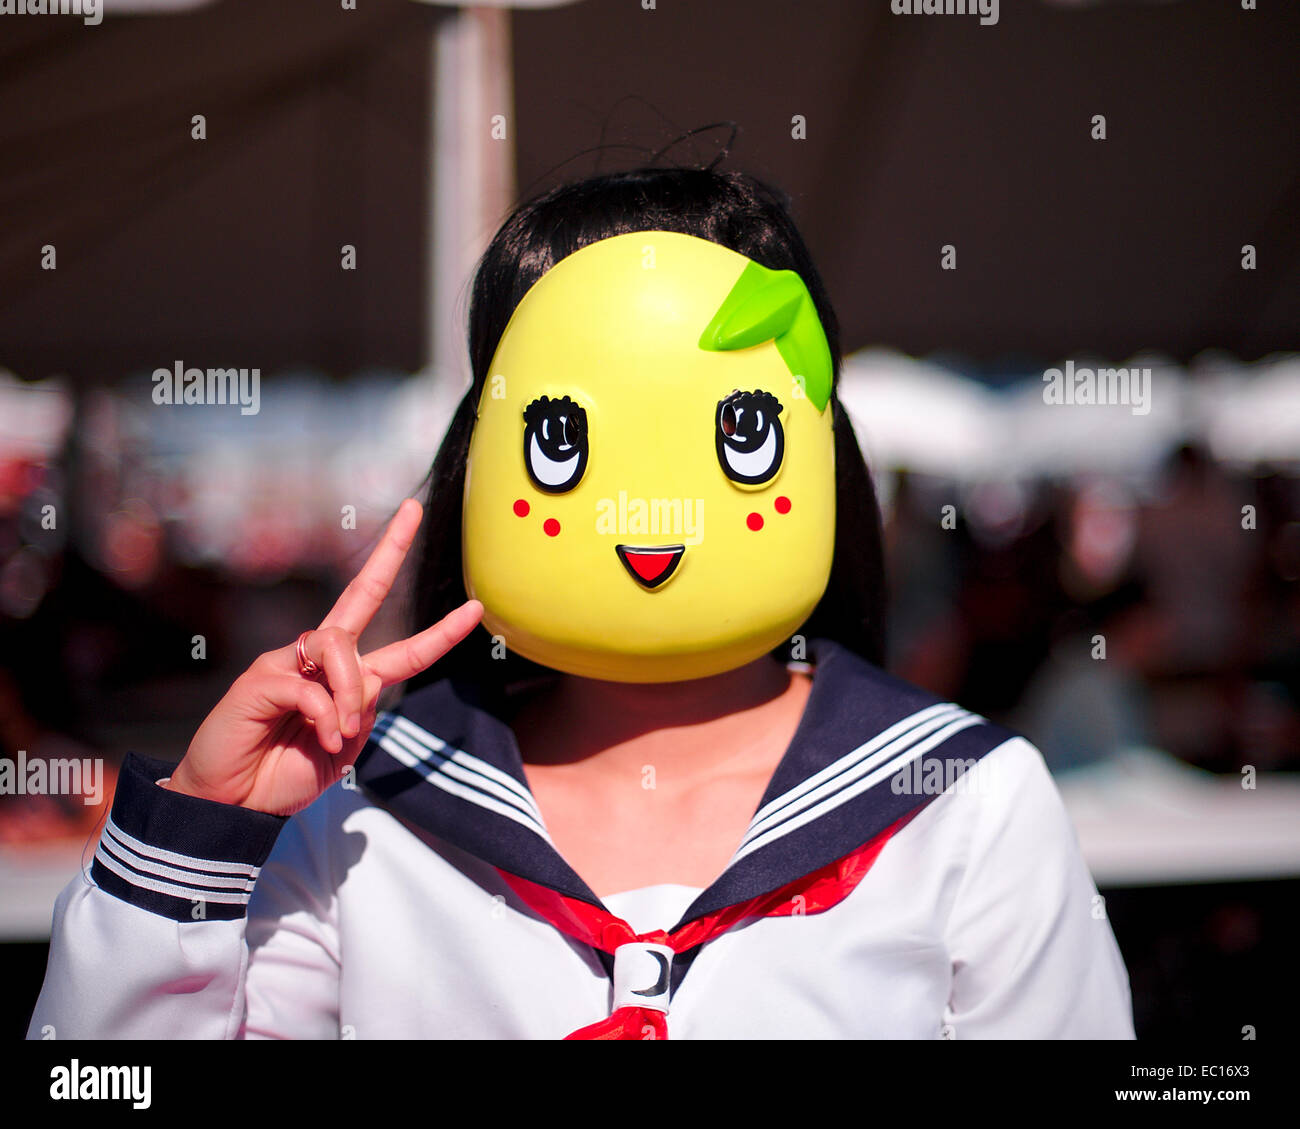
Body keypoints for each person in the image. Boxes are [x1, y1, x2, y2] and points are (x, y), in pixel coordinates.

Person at [26, 165, 1134, 1039]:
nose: (648, 507)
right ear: (484, 462)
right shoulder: (362, 810)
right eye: (562, 441)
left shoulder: (966, 805)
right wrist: (194, 839)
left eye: (738, 435)